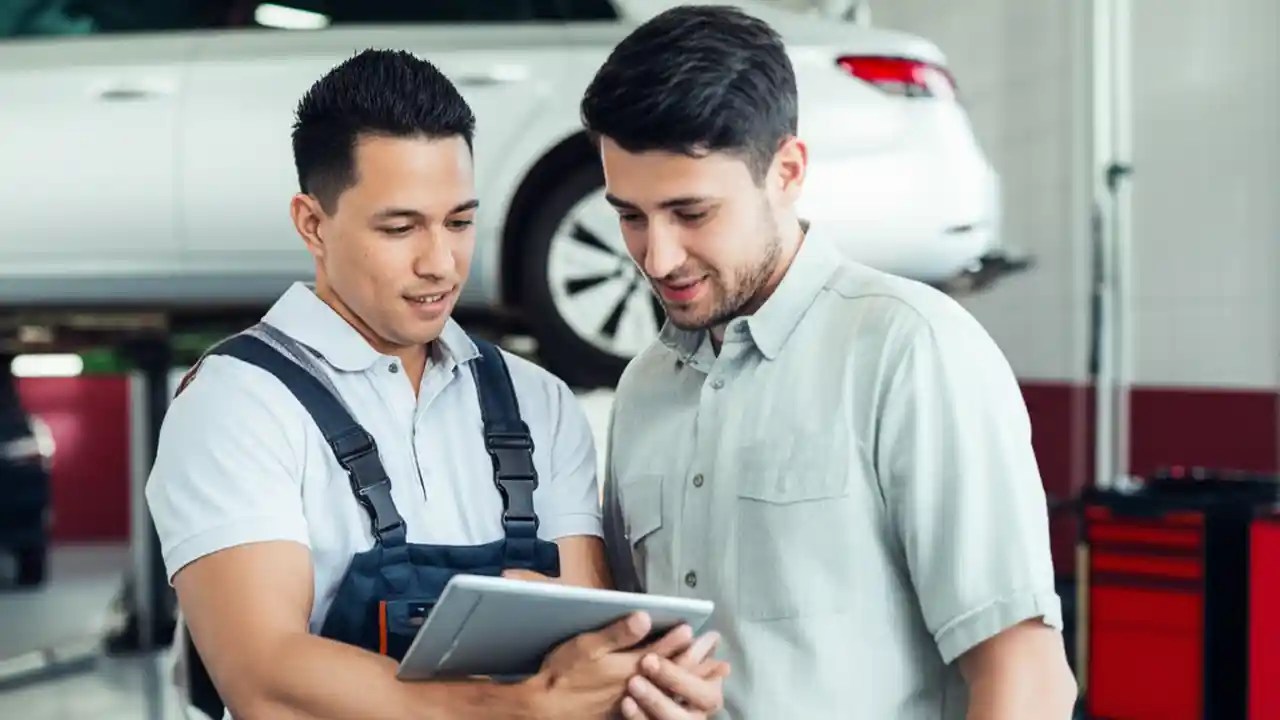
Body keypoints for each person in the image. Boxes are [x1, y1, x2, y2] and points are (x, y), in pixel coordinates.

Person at [145, 49, 726, 720]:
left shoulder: (537, 403)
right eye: (400, 228)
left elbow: (589, 649)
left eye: (459, 222)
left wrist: (645, 678)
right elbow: (267, 679)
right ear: (312, 223)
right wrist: (520, 708)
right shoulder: (238, 405)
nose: (440, 264)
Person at [587, 6, 1078, 719]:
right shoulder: (644, 389)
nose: (656, 257)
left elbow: (1027, 680)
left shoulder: (910, 351)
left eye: (691, 213)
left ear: (786, 171)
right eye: (631, 216)